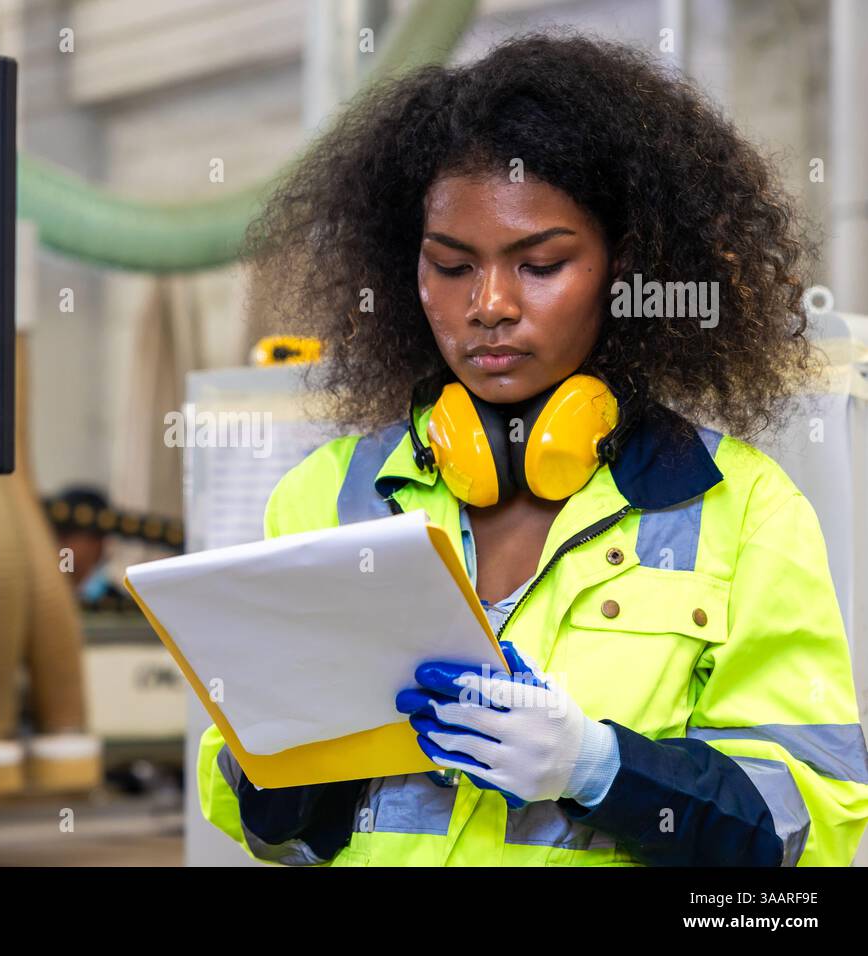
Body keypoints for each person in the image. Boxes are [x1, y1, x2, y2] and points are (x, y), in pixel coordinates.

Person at [197, 33, 868, 866]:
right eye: (450, 265)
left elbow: (816, 821)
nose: (490, 305)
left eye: (540, 264)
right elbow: (247, 809)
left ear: (624, 268)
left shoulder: (742, 510)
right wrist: (284, 769)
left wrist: (602, 769)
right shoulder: (329, 498)